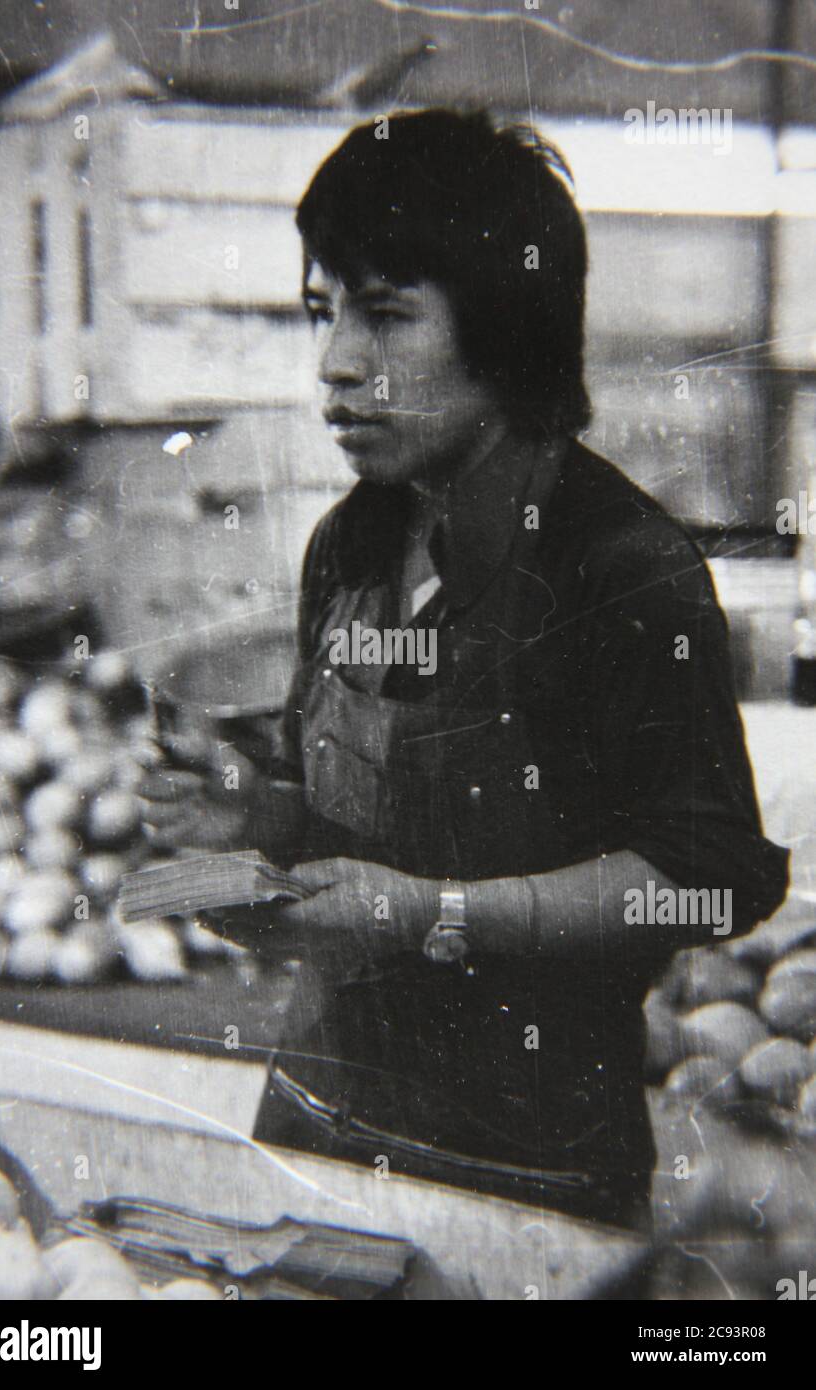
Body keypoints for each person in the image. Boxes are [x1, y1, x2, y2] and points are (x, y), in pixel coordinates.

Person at [138, 110, 788, 1228]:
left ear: (504, 331)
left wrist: (437, 912)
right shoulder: (349, 544)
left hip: (522, 1180)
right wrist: (251, 816)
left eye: (385, 317)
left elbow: (715, 873)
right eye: (320, 313)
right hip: (318, 1125)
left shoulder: (618, 568)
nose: (336, 364)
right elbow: (343, 819)